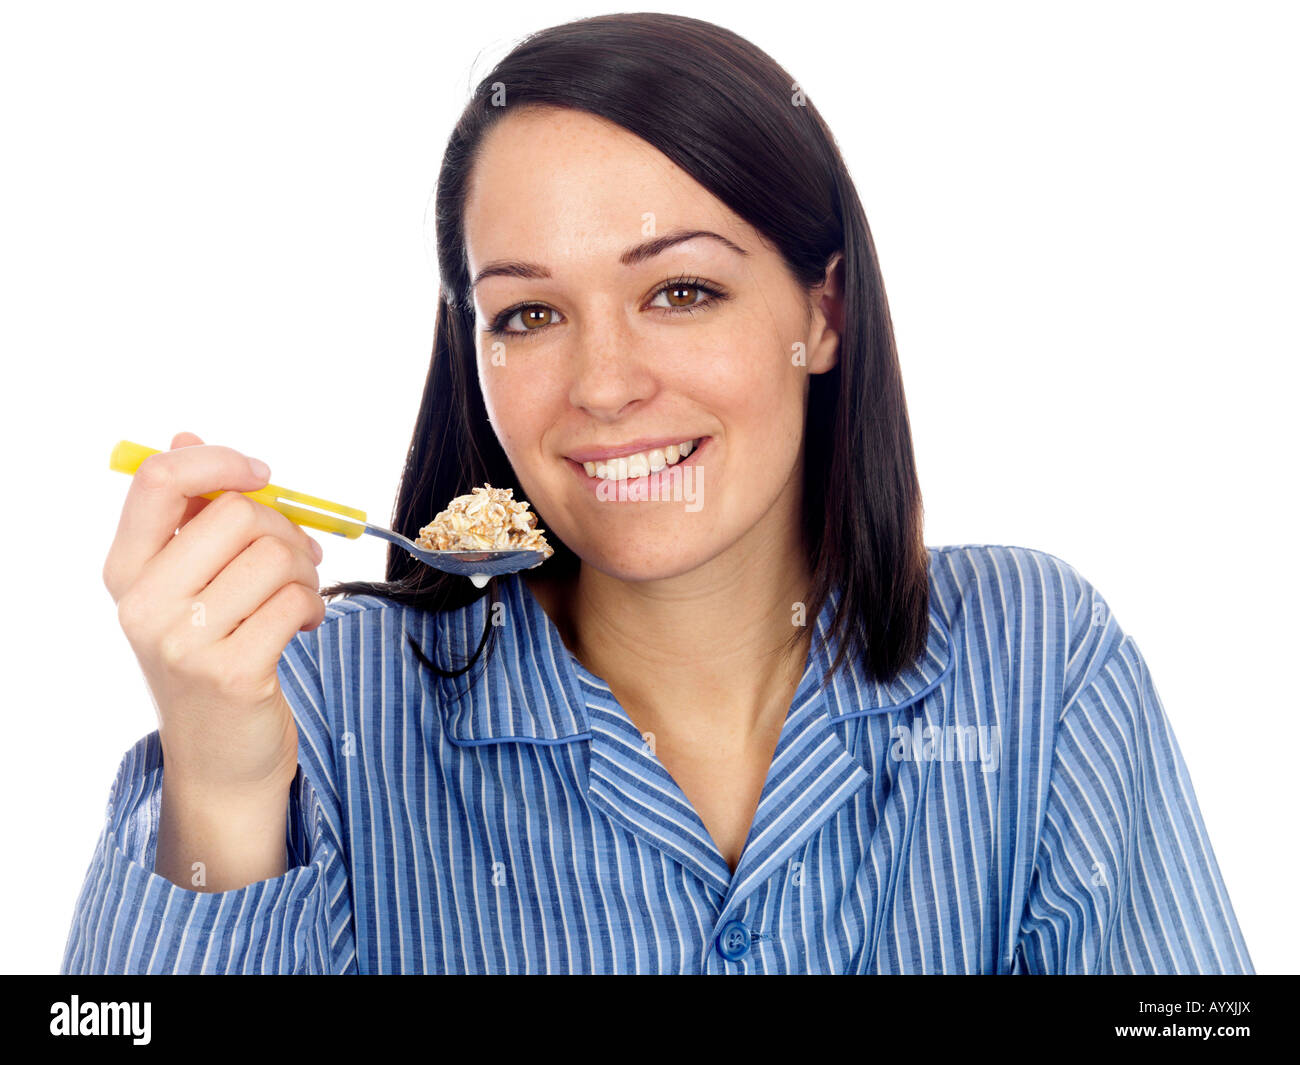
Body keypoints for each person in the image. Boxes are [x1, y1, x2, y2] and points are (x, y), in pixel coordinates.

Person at [62, 12, 1252, 974]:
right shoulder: (315, 703)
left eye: (679, 291)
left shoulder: (1035, 661)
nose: (605, 384)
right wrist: (218, 788)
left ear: (822, 314)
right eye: (528, 314)